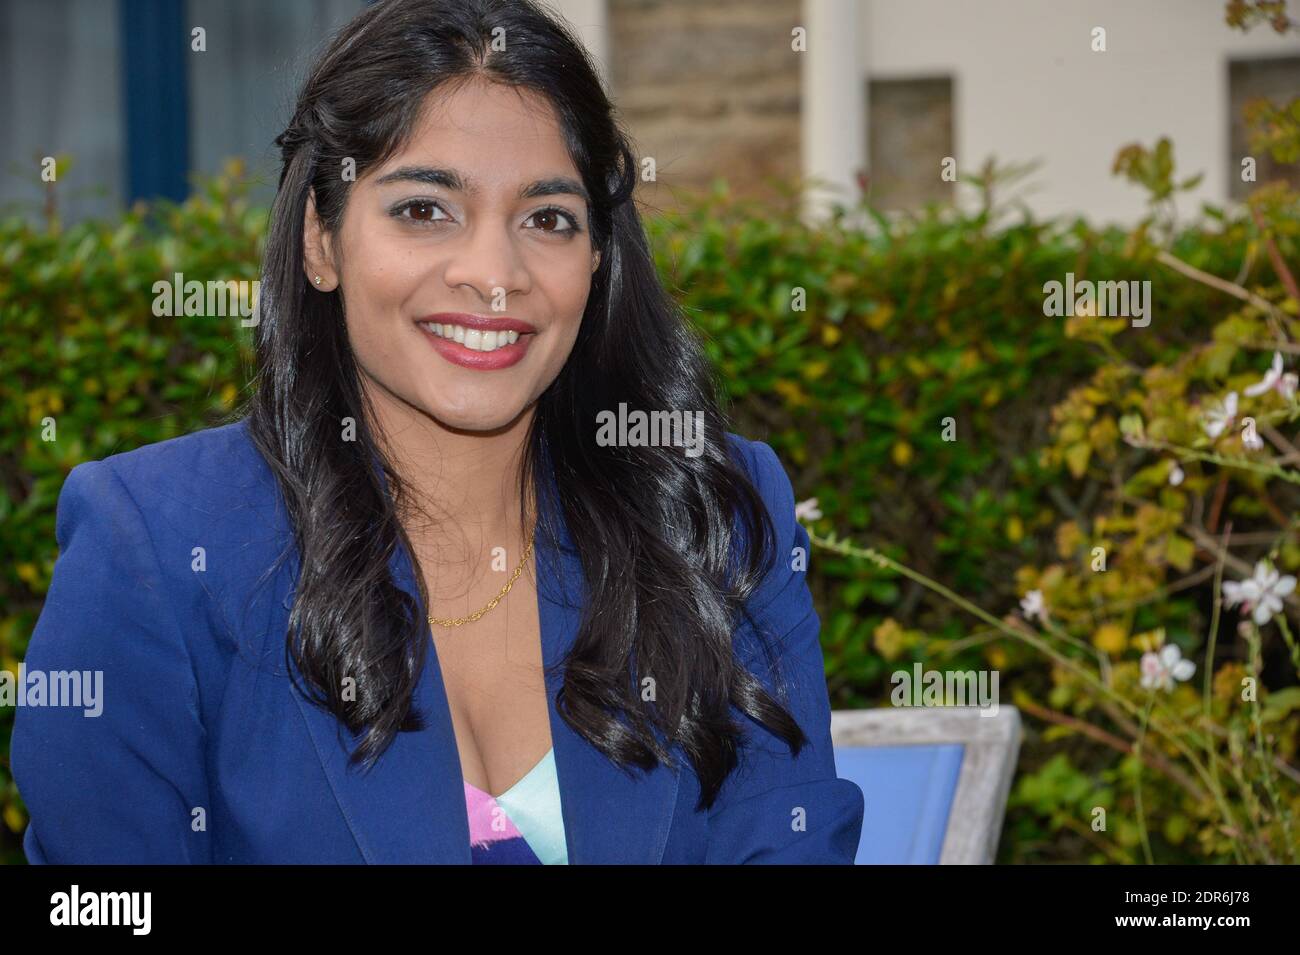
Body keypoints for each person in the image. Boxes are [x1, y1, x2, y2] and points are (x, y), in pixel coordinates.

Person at [12, 0, 864, 864]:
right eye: (425, 209)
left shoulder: (712, 521)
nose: (495, 276)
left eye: (548, 219)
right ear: (321, 238)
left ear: (599, 255)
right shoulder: (155, 546)